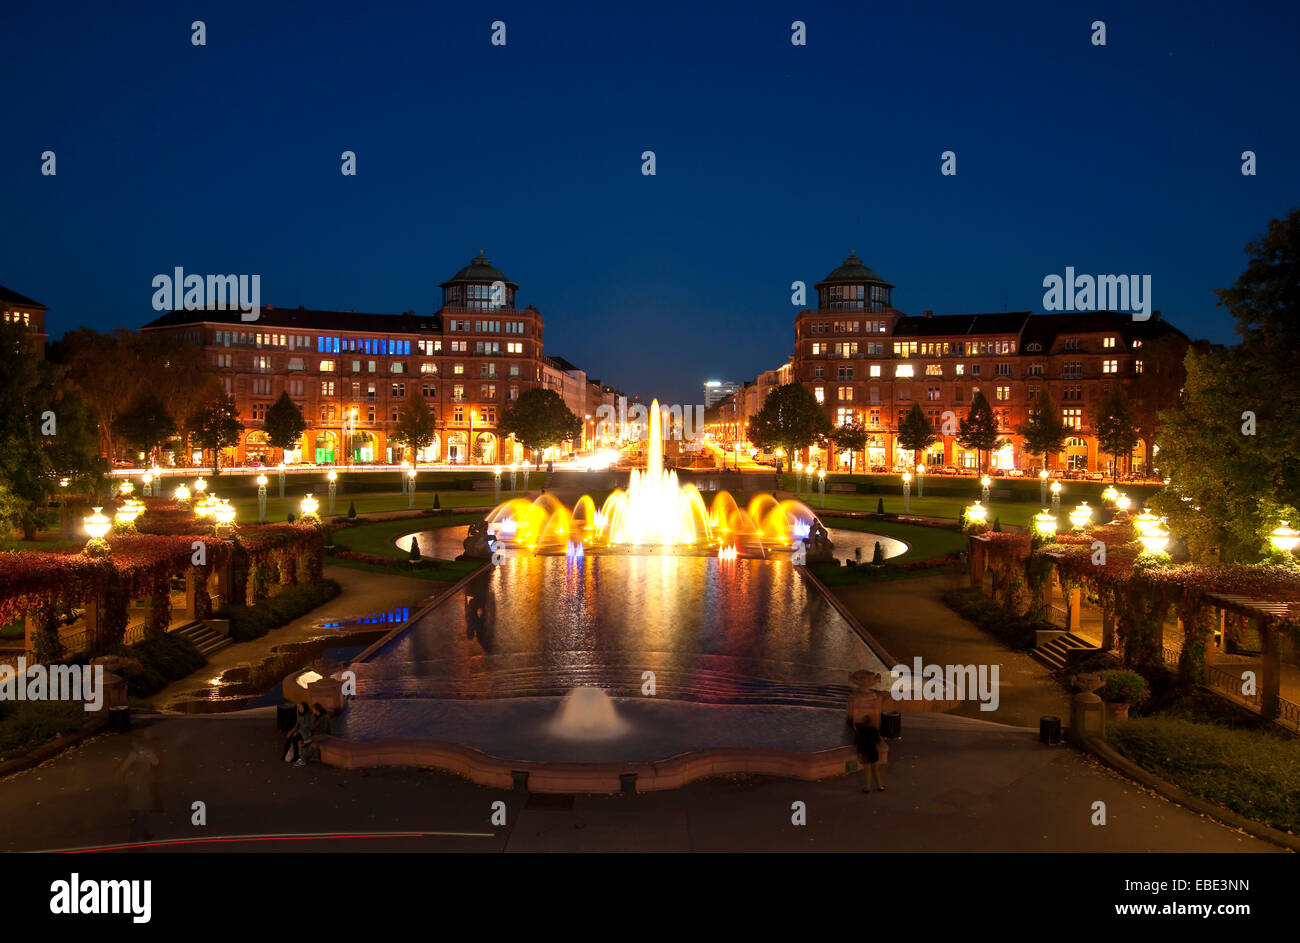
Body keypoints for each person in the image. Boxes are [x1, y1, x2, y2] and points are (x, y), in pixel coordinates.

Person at [117, 729, 160, 842]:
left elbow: (122, 769)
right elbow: (156, 762)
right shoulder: (147, 752)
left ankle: (138, 835)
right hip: (143, 784)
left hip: (135, 785)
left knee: (138, 810)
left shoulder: (133, 754)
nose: (132, 745)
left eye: (133, 743)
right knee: (142, 810)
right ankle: (139, 835)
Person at [854, 717, 884, 793]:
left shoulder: (860, 730)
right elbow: (877, 741)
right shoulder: (873, 729)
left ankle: (867, 787)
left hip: (864, 752)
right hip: (873, 751)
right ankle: (879, 786)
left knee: (867, 771)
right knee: (875, 770)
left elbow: (857, 741)